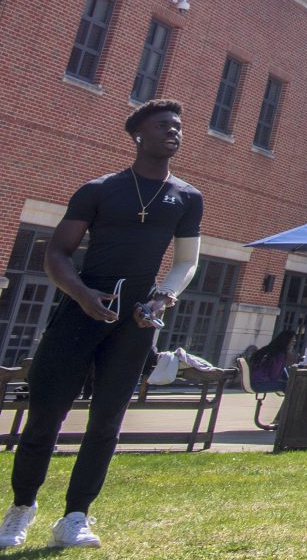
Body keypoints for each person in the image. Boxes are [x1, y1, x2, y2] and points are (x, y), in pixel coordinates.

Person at [3, 100, 202, 552]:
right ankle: (21, 508)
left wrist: (161, 297)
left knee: (107, 420)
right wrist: (80, 295)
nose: (174, 132)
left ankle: (75, 516)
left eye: (178, 126)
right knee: (46, 414)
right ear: (139, 136)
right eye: (163, 125)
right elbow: (56, 253)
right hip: (82, 307)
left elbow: (186, 261)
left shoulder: (188, 197)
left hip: (137, 318)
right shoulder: (99, 190)